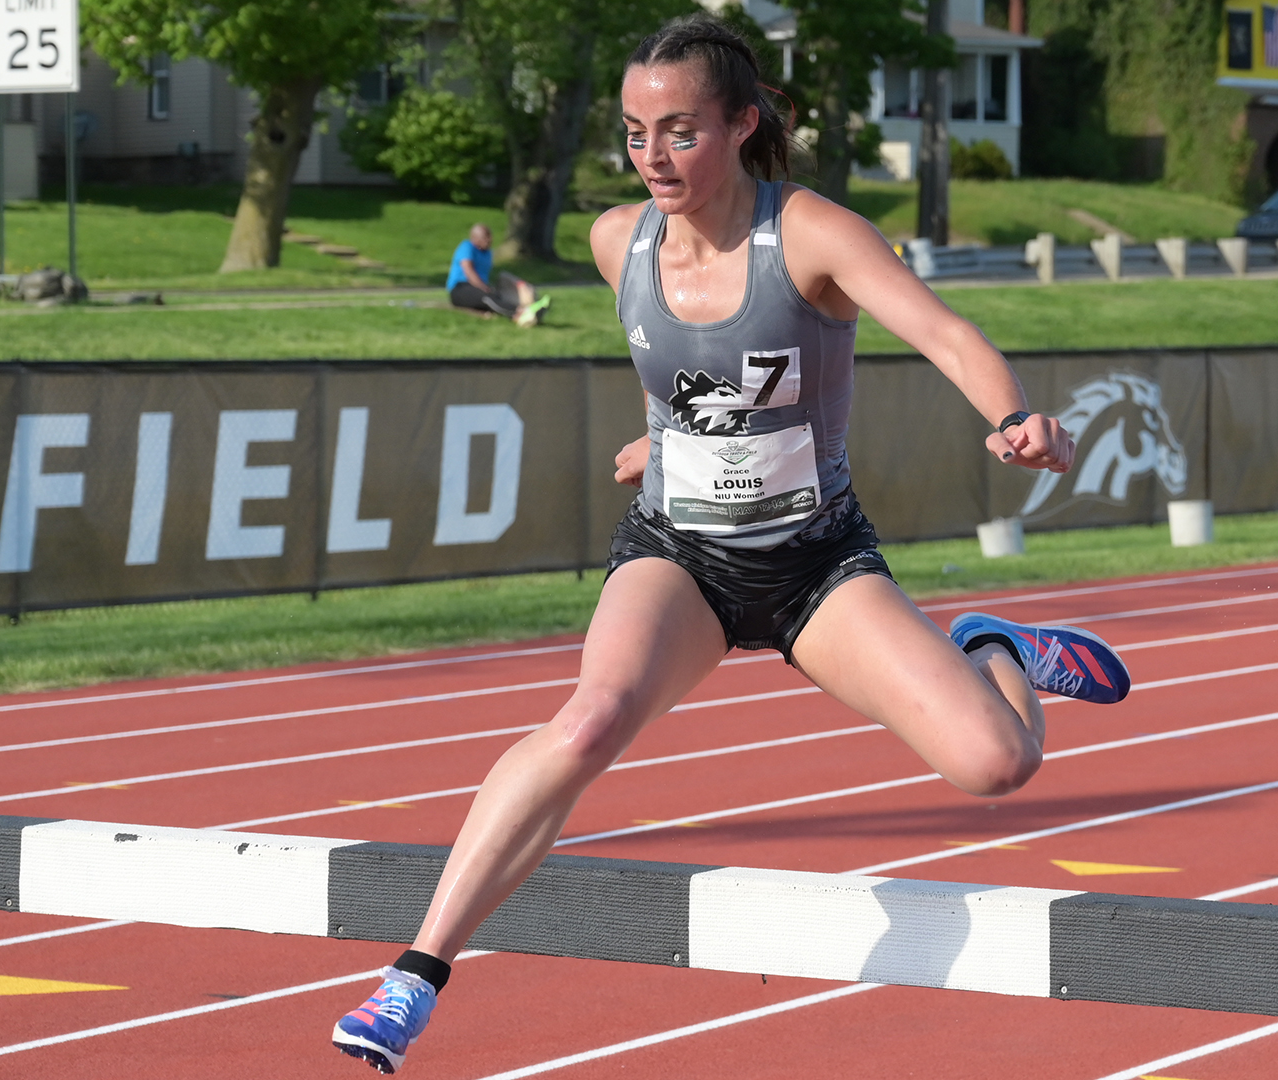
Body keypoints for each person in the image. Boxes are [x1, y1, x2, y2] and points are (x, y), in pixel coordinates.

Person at [334, 15, 1130, 1073]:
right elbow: (703, 384)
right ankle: (414, 978)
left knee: (997, 765)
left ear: (742, 124)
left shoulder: (809, 236)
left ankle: (993, 653)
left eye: (679, 132)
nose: (654, 159)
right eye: (632, 134)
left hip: (813, 566)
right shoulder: (618, 241)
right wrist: (660, 440)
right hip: (682, 556)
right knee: (588, 724)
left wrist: (1016, 415)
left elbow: (940, 330)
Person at [446, 223, 551, 326]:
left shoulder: (487, 253)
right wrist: (482, 287)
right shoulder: (467, 247)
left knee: (497, 296)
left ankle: (530, 308)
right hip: (460, 288)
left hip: (478, 288)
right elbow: (468, 270)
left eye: (489, 236)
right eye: (485, 237)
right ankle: (520, 312)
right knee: (486, 297)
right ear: (474, 238)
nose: (489, 240)